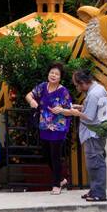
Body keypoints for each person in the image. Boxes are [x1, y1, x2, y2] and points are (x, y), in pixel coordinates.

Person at [62, 68, 107, 203]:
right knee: (96, 162)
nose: (77, 87)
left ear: (83, 82)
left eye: (77, 85)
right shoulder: (99, 89)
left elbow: (89, 117)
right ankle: (95, 190)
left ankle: (99, 193)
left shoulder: (94, 94)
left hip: (93, 133)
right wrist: (80, 107)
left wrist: (74, 112)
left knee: (95, 164)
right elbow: (96, 111)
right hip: (98, 131)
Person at [26, 61, 72, 193]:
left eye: (56, 74)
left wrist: (61, 110)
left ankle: (56, 185)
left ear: (60, 77)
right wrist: (32, 101)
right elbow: (29, 95)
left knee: (55, 155)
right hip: (44, 126)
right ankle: (61, 179)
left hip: (58, 127)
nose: (53, 75)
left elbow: (70, 109)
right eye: (51, 72)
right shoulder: (42, 87)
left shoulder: (63, 91)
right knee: (46, 155)